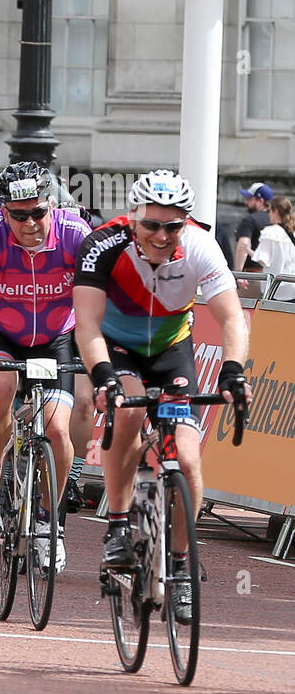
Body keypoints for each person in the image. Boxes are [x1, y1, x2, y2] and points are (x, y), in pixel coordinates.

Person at [74, 170, 249, 621]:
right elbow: (87, 323)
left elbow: (231, 318)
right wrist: (104, 377)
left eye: (172, 226)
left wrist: (232, 371)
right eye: (152, 224)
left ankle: (180, 569)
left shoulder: (200, 246)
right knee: (128, 414)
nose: (162, 235)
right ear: (134, 218)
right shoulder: (102, 245)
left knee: (187, 459)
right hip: (116, 348)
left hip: (172, 349)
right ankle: (116, 524)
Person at [0, 162, 91, 572]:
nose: (30, 223)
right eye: (19, 215)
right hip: (2, 333)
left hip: (56, 338)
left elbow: (97, 297)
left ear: (51, 204)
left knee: (56, 428)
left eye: (38, 212)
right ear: (4, 211)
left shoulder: (74, 233)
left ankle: (50, 523)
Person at [249, 194, 295, 301]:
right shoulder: (293, 232)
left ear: (276, 212)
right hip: (292, 288)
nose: (268, 214)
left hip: (274, 290)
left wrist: (248, 250)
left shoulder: (270, 233)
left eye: (269, 211)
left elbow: (262, 260)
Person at [233, 182, 273, 274]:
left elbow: (243, 245)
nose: (245, 202)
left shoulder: (250, 220)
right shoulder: (277, 221)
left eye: (249, 199)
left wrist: (238, 273)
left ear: (260, 201)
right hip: (274, 276)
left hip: (252, 275)